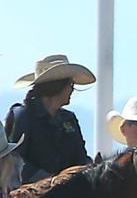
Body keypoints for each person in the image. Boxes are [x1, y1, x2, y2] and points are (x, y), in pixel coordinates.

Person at [5, 55, 94, 184]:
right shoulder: (23, 116)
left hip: (67, 196)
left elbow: (80, 158)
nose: (72, 89)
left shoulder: (69, 119)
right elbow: (13, 161)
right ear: (57, 86)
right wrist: (48, 181)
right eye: (70, 84)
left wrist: (91, 168)